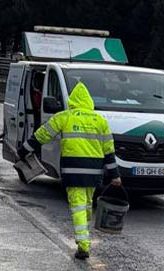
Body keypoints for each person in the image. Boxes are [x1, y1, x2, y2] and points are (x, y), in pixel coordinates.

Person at [19, 82, 120, 260]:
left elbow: (42, 135)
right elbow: (109, 151)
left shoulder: (64, 117)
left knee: (78, 207)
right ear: (89, 101)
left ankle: (83, 245)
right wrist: (115, 176)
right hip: (94, 173)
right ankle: (85, 236)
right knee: (86, 204)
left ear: (72, 100)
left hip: (73, 171)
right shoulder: (100, 121)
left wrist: (23, 150)